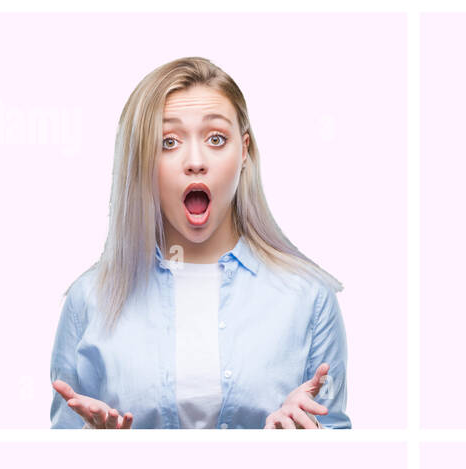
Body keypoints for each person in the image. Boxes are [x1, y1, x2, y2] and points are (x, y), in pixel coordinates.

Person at [50, 56, 349, 430]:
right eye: (169, 142)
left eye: (216, 139)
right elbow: (57, 463)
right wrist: (100, 449)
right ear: (142, 160)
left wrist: (302, 439)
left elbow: (339, 455)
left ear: (244, 151)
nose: (195, 161)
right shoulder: (89, 298)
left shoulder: (309, 297)